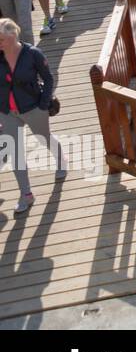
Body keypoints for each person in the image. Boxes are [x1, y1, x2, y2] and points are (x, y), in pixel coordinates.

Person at [0, 17, 67, 215]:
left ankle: (61, 160)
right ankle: (26, 195)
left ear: (13, 36)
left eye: (1, 39)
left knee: (44, 138)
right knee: (15, 153)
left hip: (32, 108)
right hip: (7, 112)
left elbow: (48, 78)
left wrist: (43, 104)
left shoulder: (32, 54)